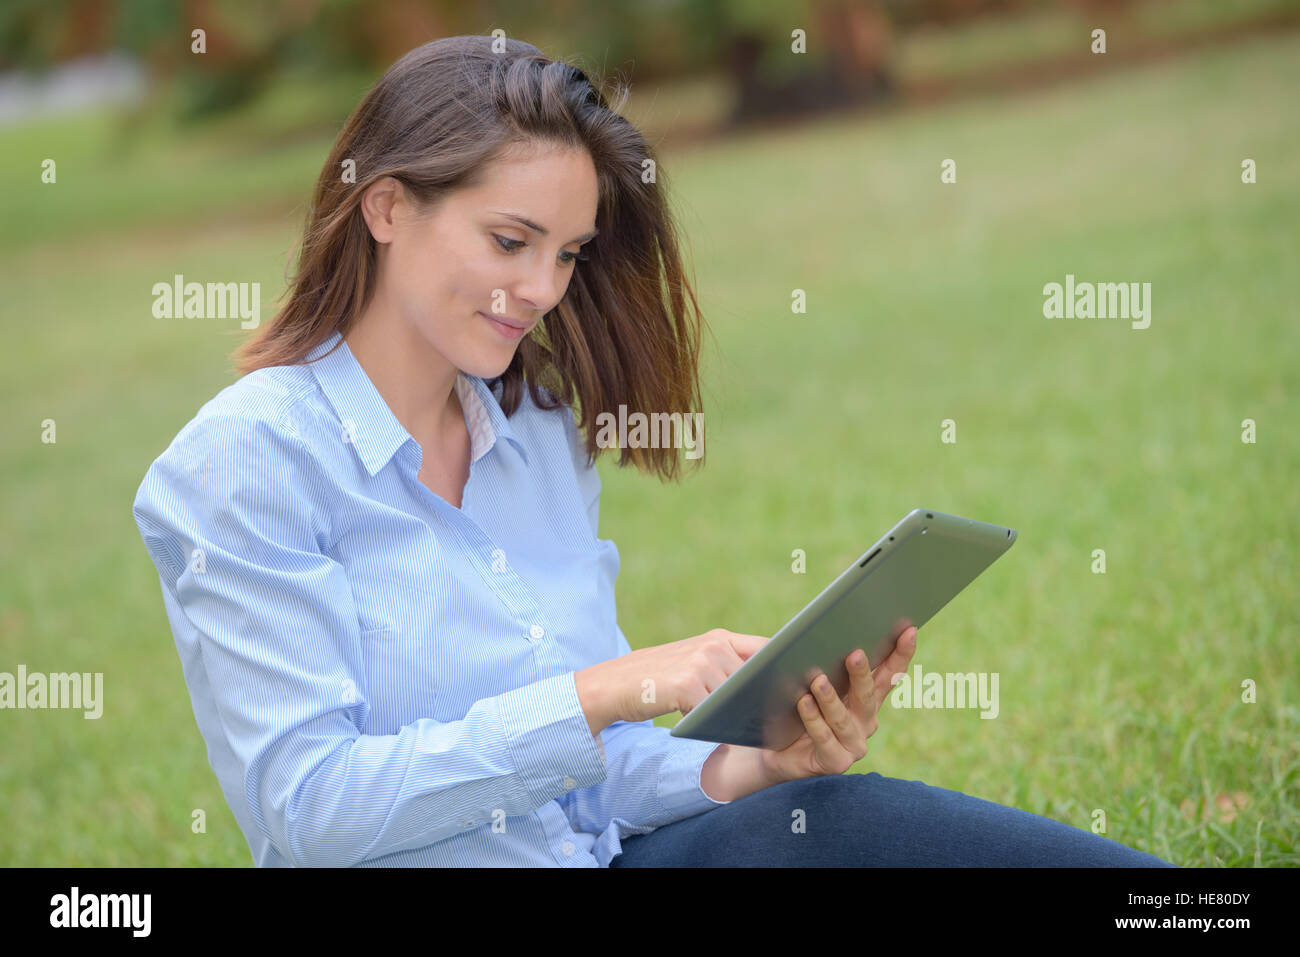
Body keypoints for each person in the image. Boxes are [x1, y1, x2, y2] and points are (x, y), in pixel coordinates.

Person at [131, 36, 1174, 868]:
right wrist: (608, 689)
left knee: (838, 823)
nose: (544, 289)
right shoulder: (244, 466)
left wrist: (747, 771)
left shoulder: (532, 434)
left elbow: (592, 786)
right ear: (388, 205)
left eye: (569, 254)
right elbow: (310, 811)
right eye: (510, 241)